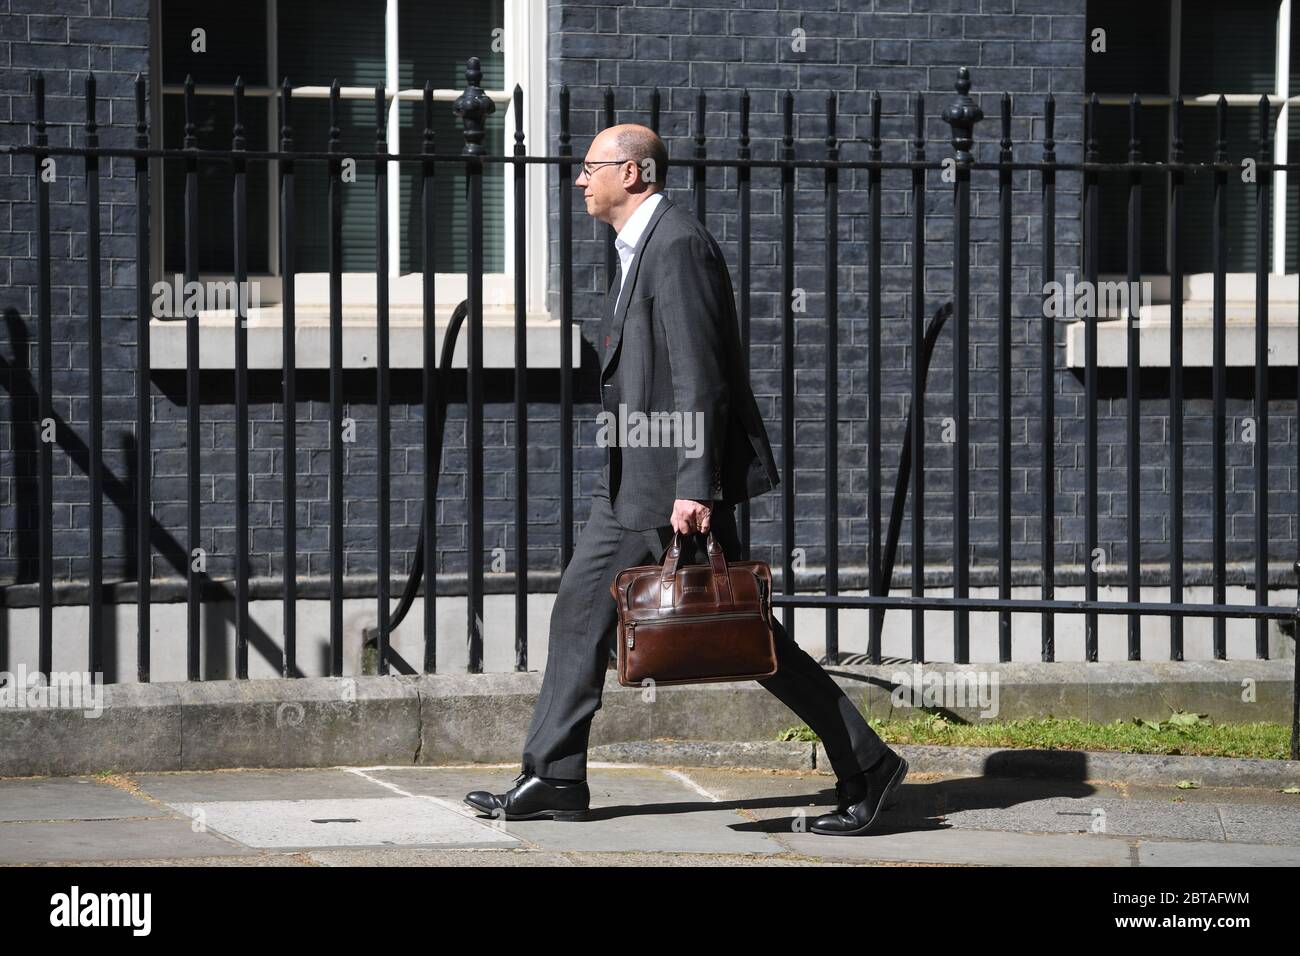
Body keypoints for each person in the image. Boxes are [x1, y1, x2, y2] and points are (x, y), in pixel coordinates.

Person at [464, 124, 907, 836]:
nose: (580, 180)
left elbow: (704, 376)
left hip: (668, 476)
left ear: (634, 173)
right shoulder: (640, 246)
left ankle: (866, 764)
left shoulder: (676, 245)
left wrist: (696, 484)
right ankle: (555, 775)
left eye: (591, 168)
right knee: (604, 611)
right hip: (638, 475)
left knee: (739, 630)